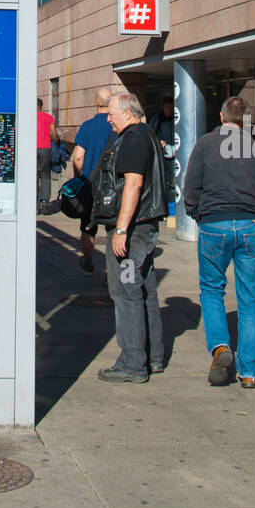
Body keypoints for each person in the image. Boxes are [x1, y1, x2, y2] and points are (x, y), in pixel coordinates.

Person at [183, 96, 255, 388]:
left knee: (212, 289)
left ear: (221, 116)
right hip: (251, 226)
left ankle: (220, 347)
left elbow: (191, 187)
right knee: (249, 300)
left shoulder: (204, 144)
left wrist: (199, 214)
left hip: (215, 223)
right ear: (246, 120)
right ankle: (250, 372)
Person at [97, 90, 168, 384]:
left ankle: (132, 362)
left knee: (126, 293)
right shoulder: (147, 135)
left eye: (111, 115)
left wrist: (122, 229)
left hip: (133, 229)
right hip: (144, 227)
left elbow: (134, 184)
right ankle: (152, 357)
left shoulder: (134, 138)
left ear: (127, 113)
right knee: (144, 291)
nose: (109, 120)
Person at [70, 87, 113, 274]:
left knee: (88, 227)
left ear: (96, 104)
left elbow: (78, 157)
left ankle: (88, 261)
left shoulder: (87, 126)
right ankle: (113, 269)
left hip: (90, 184)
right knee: (114, 227)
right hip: (113, 185)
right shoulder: (117, 125)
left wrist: (78, 178)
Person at [36, 98, 59, 215]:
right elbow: (53, 133)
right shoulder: (48, 117)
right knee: (45, 175)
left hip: (32, 149)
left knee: (33, 176)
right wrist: (57, 143)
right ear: (42, 106)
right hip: (45, 148)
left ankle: (34, 204)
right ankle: (44, 202)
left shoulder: (28, 116)